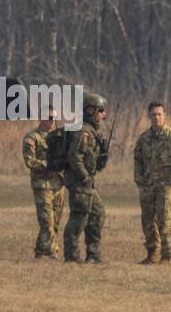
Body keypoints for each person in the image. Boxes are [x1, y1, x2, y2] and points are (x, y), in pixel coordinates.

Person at [132, 101, 171, 264]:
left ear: (164, 115)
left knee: (166, 221)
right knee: (148, 221)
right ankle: (152, 254)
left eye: (159, 114)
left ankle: (167, 256)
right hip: (148, 187)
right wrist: (140, 180)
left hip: (166, 188)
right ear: (149, 116)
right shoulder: (144, 139)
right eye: (153, 114)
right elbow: (138, 160)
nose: (156, 117)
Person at [63, 93, 108, 263]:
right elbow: (75, 156)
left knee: (97, 214)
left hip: (87, 182)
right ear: (91, 111)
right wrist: (85, 176)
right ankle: (71, 256)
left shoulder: (92, 132)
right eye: (101, 111)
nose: (103, 115)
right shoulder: (83, 132)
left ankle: (93, 255)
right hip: (79, 182)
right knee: (79, 217)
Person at [22, 111, 66, 258]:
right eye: (49, 118)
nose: (52, 121)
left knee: (55, 222)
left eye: (54, 118)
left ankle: (41, 250)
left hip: (58, 184)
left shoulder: (60, 137)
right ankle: (53, 251)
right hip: (42, 184)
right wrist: (48, 164)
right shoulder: (32, 137)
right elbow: (29, 161)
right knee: (46, 220)